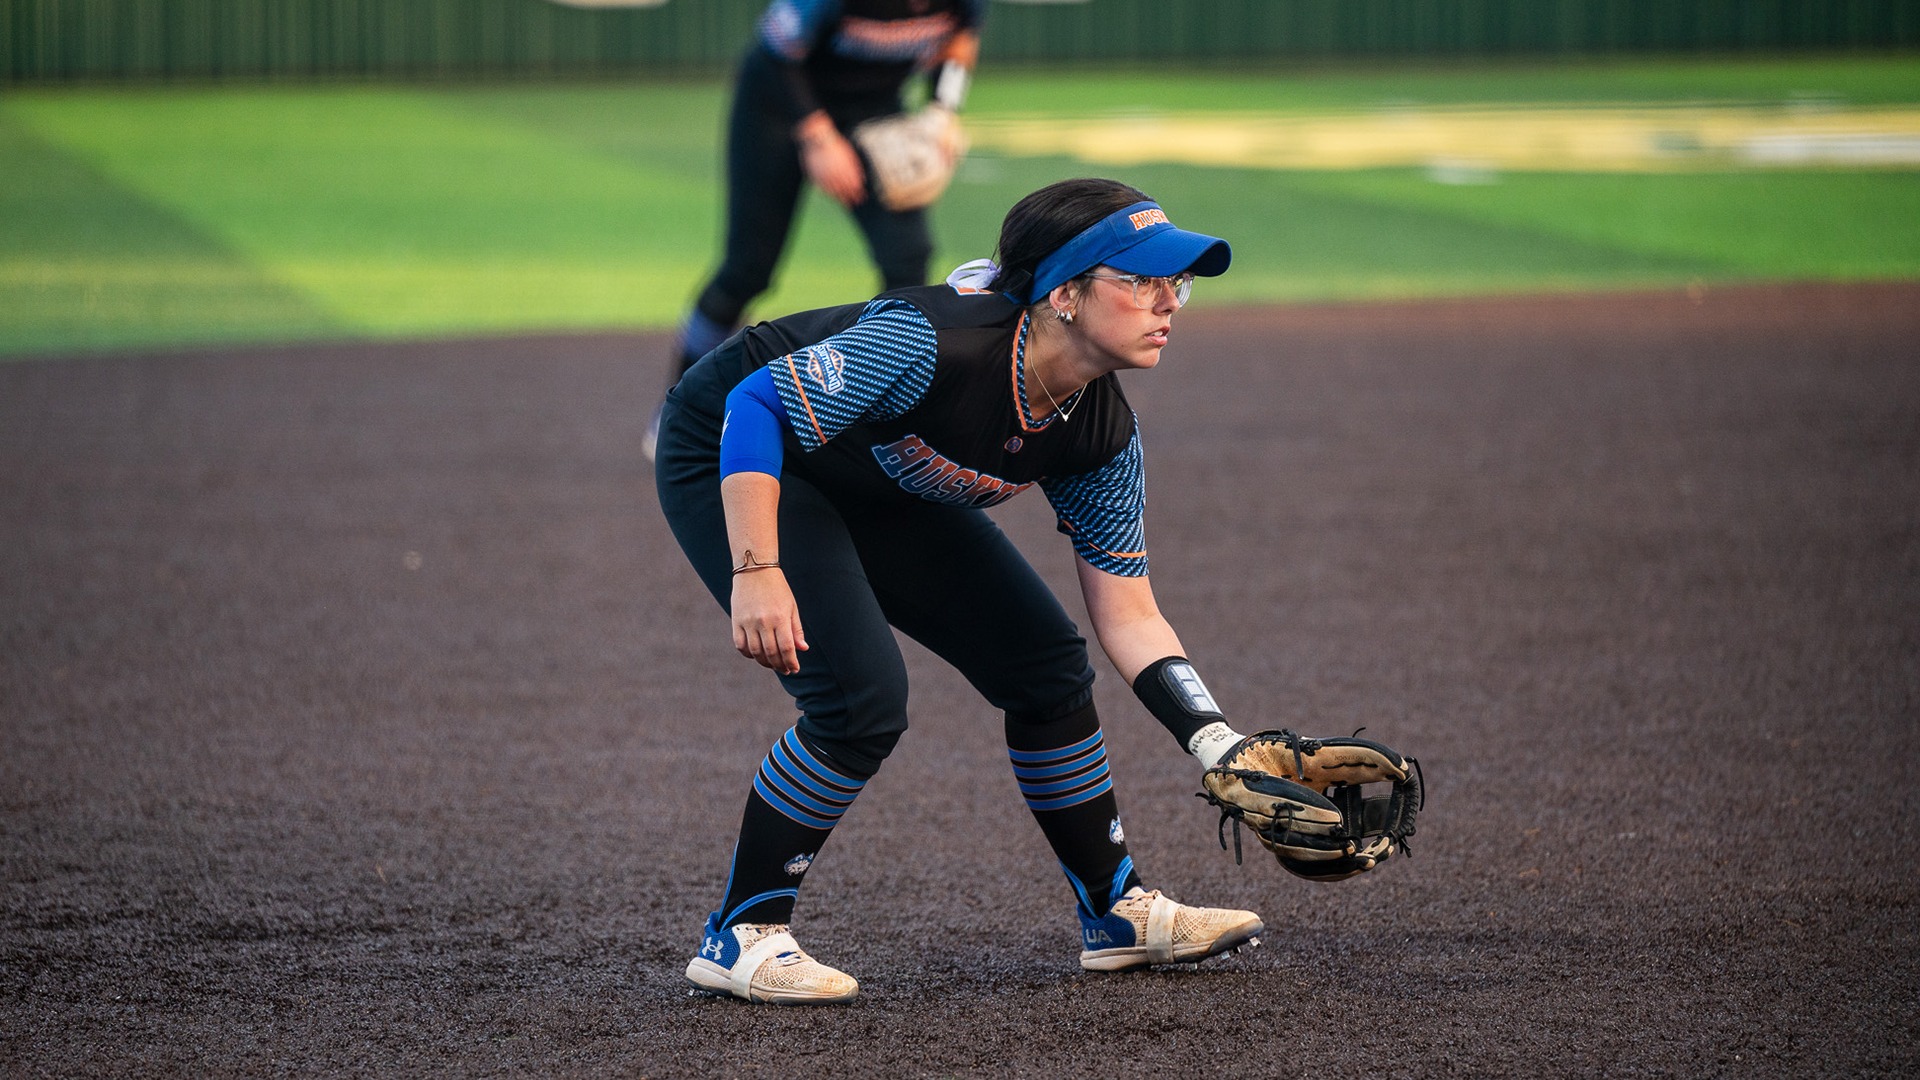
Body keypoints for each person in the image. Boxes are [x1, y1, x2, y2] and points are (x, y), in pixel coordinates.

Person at [655, 177, 1267, 1005]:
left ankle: (1115, 912)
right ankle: (742, 931)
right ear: (1063, 295)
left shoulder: (1099, 433)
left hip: (874, 475)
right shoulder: (936, 343)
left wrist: (1217, 742)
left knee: (1047, 669)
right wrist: (757, 568)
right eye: (1141, 281)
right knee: (861, 697)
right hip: (738, 446)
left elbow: (1131, 613)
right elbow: (757, 402)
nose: (1168, 303)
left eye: (1177, 284)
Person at [645, 0, 987, 461]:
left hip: (873, 113)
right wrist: (818, 137)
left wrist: (944, 108)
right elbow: (776, 53)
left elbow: (961, 38)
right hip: (777, 109)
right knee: (747, 269)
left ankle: (885, 414)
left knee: (908, 259)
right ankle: (680, 410)